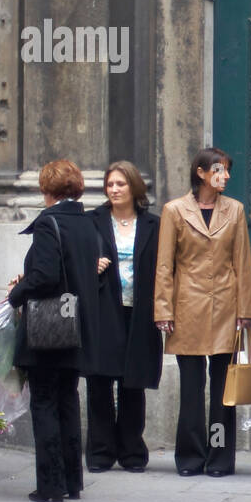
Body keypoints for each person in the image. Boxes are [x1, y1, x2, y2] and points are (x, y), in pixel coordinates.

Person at [154, 147, 251, 477]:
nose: (224, 176)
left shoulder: (235, 211)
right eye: (218, 170)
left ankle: (220, 458)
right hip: (188, 306)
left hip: (226, 306)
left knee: (222, 394)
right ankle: (190, 458)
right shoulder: (174, 210)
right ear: (201, 173)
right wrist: (163, 310)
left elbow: (242, 262)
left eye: (227, 171)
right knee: (191, 389)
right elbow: (165, 264)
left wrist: (245, 310)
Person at [7, 159, 102, 502]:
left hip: (49, 328)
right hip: (76, 327)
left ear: (46, 189)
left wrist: (16, 293)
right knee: (67, 401)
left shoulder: (49, 223)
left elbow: (45, 276)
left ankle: (50, 486)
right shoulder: (87, 222)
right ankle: (72, 482)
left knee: (45, 403)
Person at [87, 161, 162, 473]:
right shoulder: (92, 221)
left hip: (140, 311)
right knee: (100, 380)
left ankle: (132, 451)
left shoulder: (153, 224)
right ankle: (100, 452)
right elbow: (78, 258)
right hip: (104, 310)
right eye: (110, 185)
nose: (114, 190)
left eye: (120, 184)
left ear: (134, 188)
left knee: (134, 382)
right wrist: (92, 265)